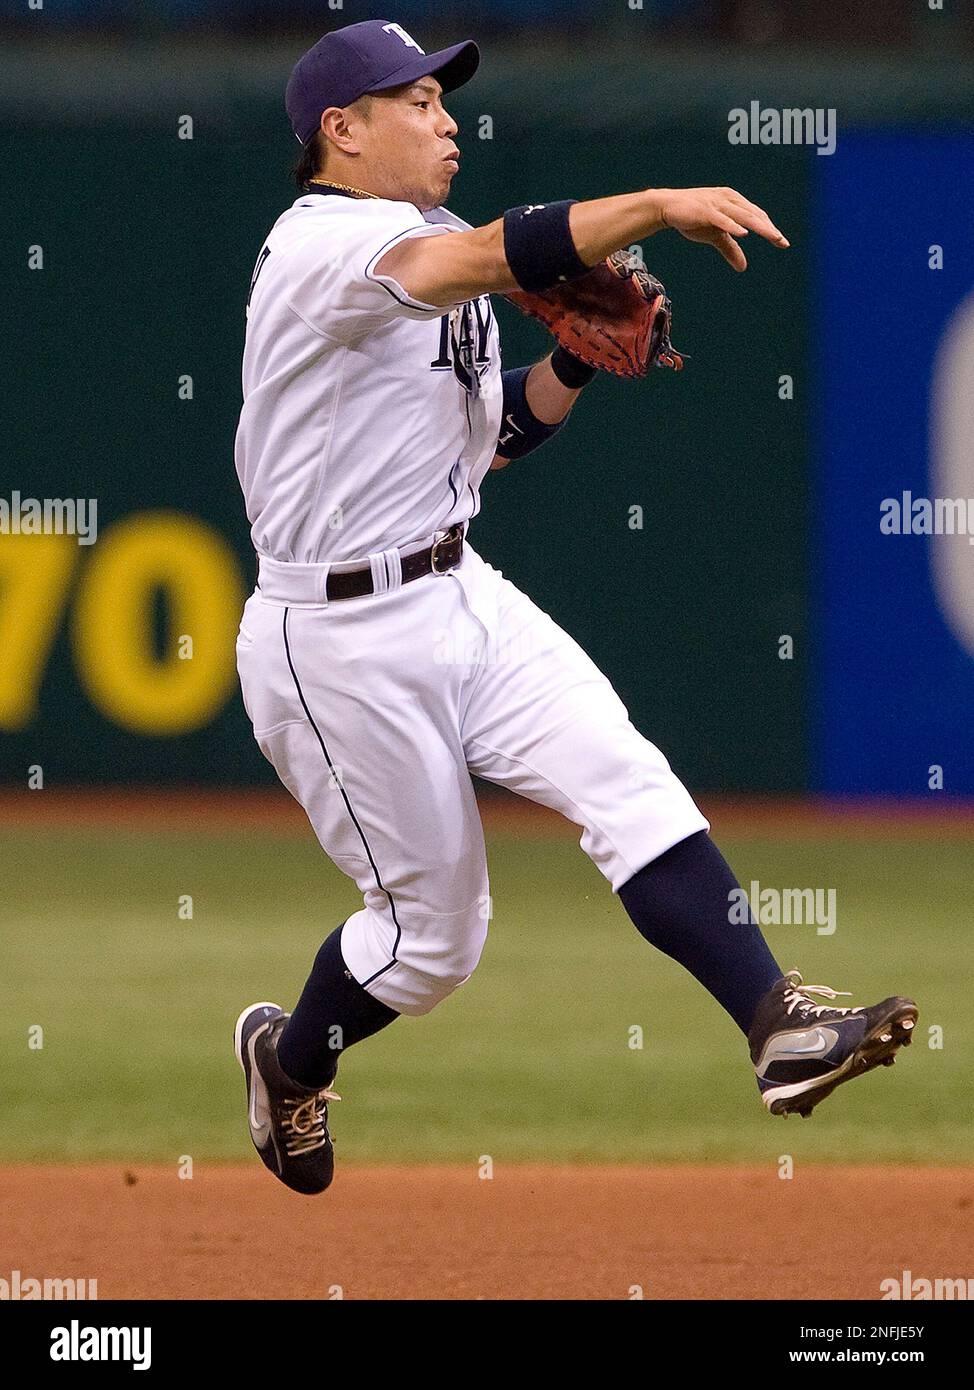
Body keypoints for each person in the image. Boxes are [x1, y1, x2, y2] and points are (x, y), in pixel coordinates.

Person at [232, 20, 917, 1195]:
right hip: (330, 640)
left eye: (445, 99)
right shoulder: (324, 246)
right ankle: (290, 1064)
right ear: (340, 133)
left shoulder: (428, 239)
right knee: (432, 943)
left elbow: (485, 437)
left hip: (454, 585)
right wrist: (654, 199)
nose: (446, 119)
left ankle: (775, 1022)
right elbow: (503, 251)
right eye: (416, 102)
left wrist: (582, 364)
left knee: (625, 773)